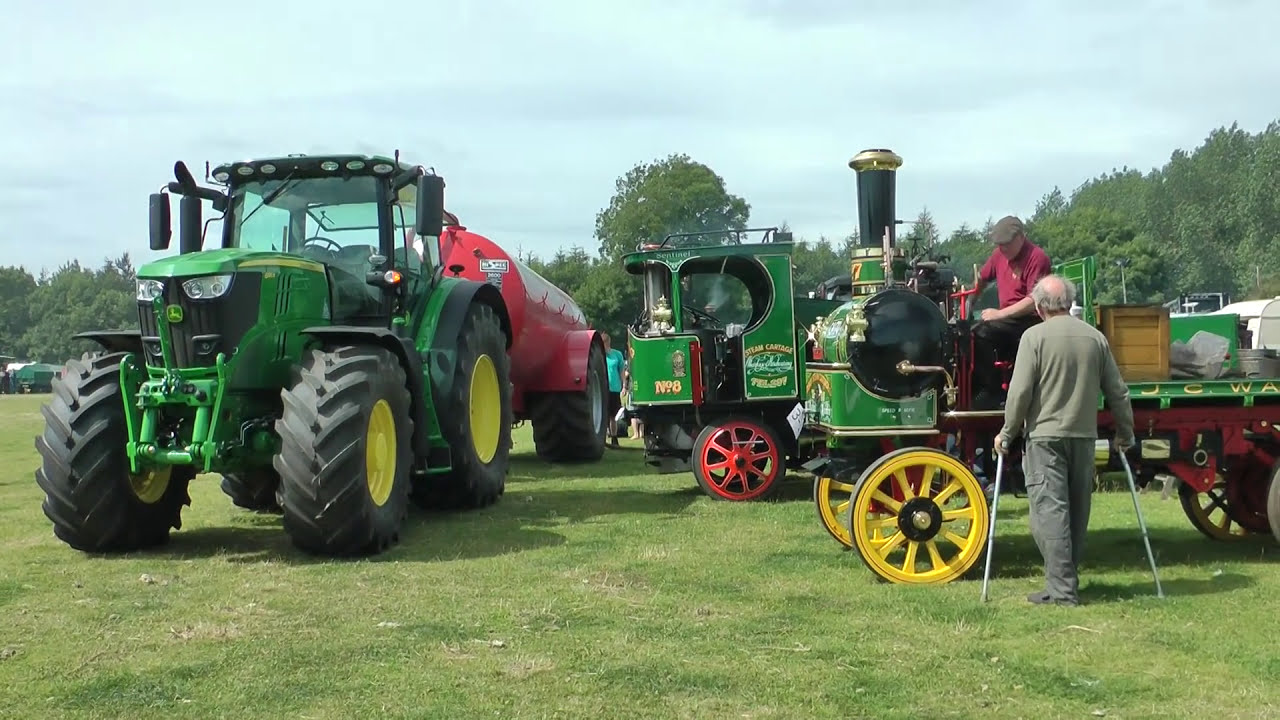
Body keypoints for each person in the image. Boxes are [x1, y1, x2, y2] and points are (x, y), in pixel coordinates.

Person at [995, 274, 1136, 607]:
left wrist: (1007, 432)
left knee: (1049, 512)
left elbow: (1020, 393)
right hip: (1084, 436)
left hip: (1045, 437)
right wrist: (1125, 432)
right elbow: (1118, 391)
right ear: (1069, 303)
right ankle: (1061, 583)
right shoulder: (1094, 338)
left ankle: (1062, 592)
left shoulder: (1034, 337)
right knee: (1076, 511)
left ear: (1041, 306)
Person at [971, 215, 1053, 409]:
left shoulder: (1037, 258)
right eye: (999, 245)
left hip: (1030, 319)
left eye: (1006, 244)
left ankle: (992, 392)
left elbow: (1034, 301)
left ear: (1021, 238)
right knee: (967, 334)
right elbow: (982, 278)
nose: (1002, 249)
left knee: (981, 333)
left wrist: (999, 314)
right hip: (1010, 320)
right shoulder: (999, 255)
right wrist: (971, 299)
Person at [602, 332, 626, 448]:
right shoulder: (599, 356)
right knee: (604, 415)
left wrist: (624, 385)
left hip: (614, 388)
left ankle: (614, 437)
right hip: (603, 389)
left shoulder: (617, 354)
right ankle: (603, 437)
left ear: (608, 343)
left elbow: (621, 370)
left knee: (613, 415)